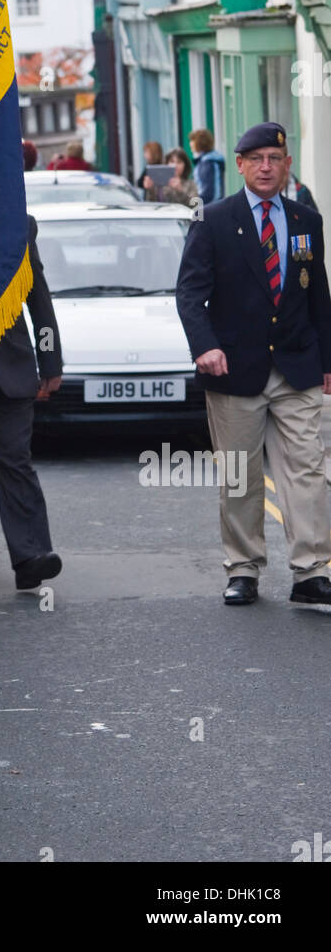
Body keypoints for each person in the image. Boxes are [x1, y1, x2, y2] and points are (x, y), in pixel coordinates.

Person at [176, 123, 331, 607]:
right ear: (240, 165)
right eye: (256, 158)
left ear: (287, 165)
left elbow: (318, 296)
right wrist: (205, 345)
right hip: (234, 370)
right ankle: (243, 568)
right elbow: (190, 292)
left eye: (275, 158)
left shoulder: (307, 220)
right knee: (241, 474)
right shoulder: (213, 218)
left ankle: (311, 571)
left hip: (296, 366)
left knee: (308, 469)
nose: (267, 167)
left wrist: (327, 361)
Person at [0, 212, 64, 588]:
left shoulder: (20, 224)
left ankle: (31, 555)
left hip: (13, 364)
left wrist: (50, 359)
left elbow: (37, 296)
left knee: (16, 460)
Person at [189, 128, 226, 204]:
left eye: (192, 140)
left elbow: (209, 192)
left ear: (199, 143)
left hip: (210, 207)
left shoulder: (208, 163)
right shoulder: (207, 161)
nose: (190, 143)